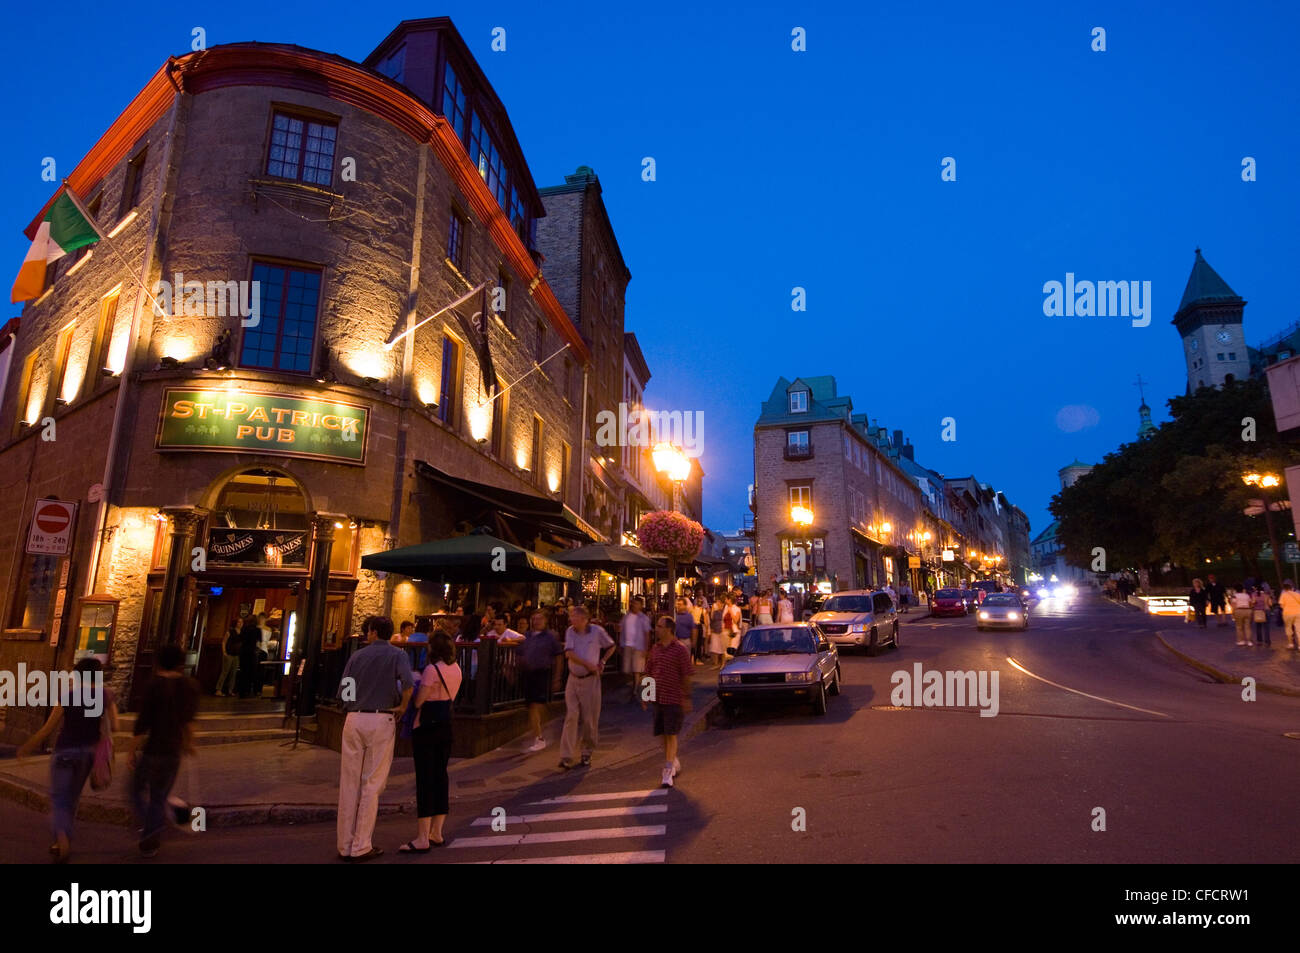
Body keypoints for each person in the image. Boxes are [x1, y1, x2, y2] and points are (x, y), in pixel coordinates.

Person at [17, 657, 118, 862]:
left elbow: (48, 727)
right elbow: (115, 726)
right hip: (88, 754)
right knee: (72, 798)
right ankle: (63, 838)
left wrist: (27, 746)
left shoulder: (67, 695)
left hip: (65, 751)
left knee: (59, 799)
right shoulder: (106, 695)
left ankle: (61, 839)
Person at [336, 615, 414, 862]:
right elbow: (408, 684)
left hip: (354, 717)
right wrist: (402, 706)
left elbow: (345, 688)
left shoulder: (357, 656)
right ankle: (361, 845)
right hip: (381, 718)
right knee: (372, 783)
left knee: (349, 782)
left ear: (372, 632)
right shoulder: (398, 655)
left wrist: (350, 704)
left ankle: (344, 844)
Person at [129, 643, 200, 858]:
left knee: (135, 791)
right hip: (173, 751)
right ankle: (153, 832)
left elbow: (143, 723)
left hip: (153, 749)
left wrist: (131, 750)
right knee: (159, 796)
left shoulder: (154, 685)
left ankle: (152, 827)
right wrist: (189, 743)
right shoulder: (190, 687)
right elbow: (188, 722)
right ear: (181, 662)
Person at [399, 632, 463, 852]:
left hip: (426, 728)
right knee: (441, 777)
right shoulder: (456, 669)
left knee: (425, 780)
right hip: (445, 726)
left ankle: (422, 837)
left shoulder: (431, 670)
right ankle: (437, 831)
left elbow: (419, 701)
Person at [558, 605, 615, 770]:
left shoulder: (597, 631)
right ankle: (566, 755)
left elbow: (611, 646)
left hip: (591, 680)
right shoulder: (570, 631)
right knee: (571, 715)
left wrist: (602, 661)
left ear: (584, 619)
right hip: (573, 678)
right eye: (571, 616)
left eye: (574, 616)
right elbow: (569, 653)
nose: (571, 619)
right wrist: (587, 664)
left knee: (589, 719)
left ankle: (587, 752)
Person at [646, 616, 692, 788]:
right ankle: (672, 760)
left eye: (659, 626)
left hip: (673, 698)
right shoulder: (655, 649)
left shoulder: (679, 649)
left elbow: (686, 675)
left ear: (668, 630)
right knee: (662, 734)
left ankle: (667, 770)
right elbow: (649, 671)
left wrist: (686, 697)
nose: (656, 629)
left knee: (671, 733)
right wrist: (646, 695)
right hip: (658, 697)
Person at [519, 611, 563, 750]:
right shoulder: (527, 636)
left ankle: (538, 736)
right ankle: (538, 730)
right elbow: (520, 653)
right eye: (534, 619)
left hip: (542, 673)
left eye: (539, 619)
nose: (536, 621)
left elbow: (558, 655)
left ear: (545, 621)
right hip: (528, 673)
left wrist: (557, 677)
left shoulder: (550, 637)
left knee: (535, 705)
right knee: (533, 705)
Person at [620, 597, 652, 702]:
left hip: (638, 646)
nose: (634, 606)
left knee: (636, 669)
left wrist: (646, 648)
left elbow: (647, 633)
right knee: (626, 669)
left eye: (636, 604)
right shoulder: (626, 617)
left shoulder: (643, 618)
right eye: (633, 603)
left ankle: (635, 690)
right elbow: (622, 629)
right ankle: (635, 684)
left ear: (640, 605)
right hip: (627, 645)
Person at [237, 614, 262, 698]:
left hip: (243, 652)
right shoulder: (257, 630)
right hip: (252, 652)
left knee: (243, 671)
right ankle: (250, 691)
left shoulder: (244, 629)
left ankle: (242, 691)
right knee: (252, 672)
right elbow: (259, 642)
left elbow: (240, 639)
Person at [217, 621, 241, 696]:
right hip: (229, 653)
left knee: (233, 673)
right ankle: (218, 690)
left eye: (241, 622)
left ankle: (230, 690)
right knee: (225, 672)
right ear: (235, 623)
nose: (240, 623)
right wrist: (224, 652)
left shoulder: (242, 632)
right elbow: (224, 642)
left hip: (237, 655)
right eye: (239, 622)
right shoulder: (230, 631)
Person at [1279, 580, 1300, 650]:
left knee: (1288, 629)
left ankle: (1291, 644)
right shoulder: (1297, 594)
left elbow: (1281, 605)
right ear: (1292, 587)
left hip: (1287, 613)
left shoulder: (1283, 595)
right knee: (1298, 629)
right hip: (1298, 613)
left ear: (1285, 588)